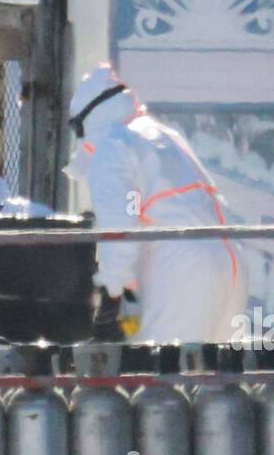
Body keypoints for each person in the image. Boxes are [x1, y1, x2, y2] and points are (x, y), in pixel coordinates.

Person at [63, 63, 246, 344]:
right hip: (230, 264)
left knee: (165, 376)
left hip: (182, 270)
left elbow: (120, 228)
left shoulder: (113, 147)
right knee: (216, 377)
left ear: (86, 122)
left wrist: (111, 300)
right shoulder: (162, 136)